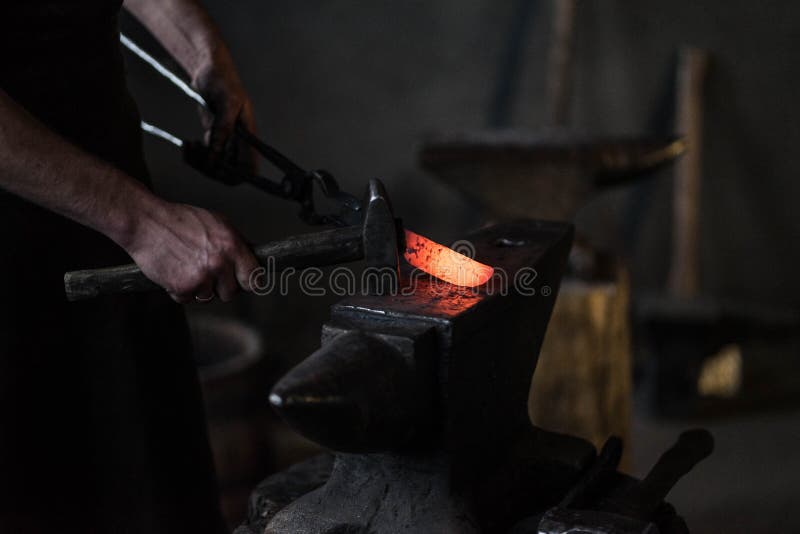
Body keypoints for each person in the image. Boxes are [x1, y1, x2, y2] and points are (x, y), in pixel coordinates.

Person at [0, 0, 260, 532]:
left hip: (115, 223)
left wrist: (205, 56)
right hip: (20, 253)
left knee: (151, 487)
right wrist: (143, 224)